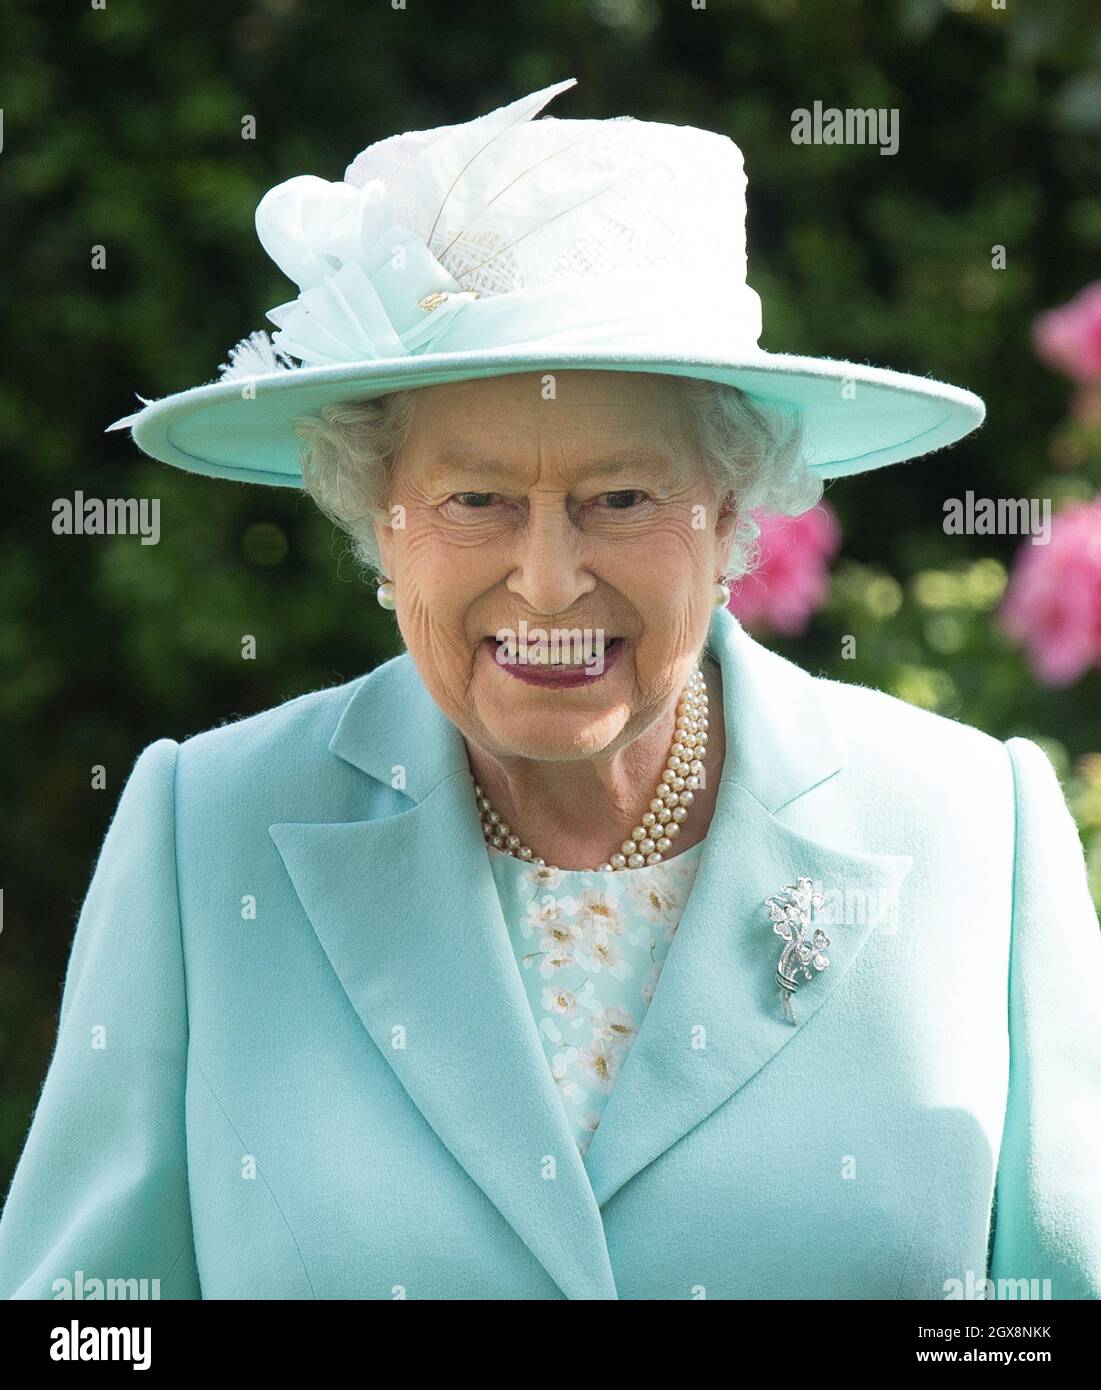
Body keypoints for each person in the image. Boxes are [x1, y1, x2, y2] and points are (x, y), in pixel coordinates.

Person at [2, 78, 1098, 1302]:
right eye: (477, 501)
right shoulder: (201, 828)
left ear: (731, 509)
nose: (549, 579)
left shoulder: (971, 823)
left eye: (620, 498)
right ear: (382, 517)